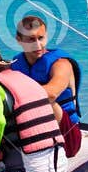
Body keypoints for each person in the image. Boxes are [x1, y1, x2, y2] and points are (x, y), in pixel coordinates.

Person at [10, 13, 82, 158]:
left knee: (47, 101)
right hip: (31, 130)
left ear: (46, 36)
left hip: (66, 135)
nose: (38, 45)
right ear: (19, 40)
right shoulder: (15, 64)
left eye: (41, 38)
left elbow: (51, 94)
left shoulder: (61, 64)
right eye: (31, 39)